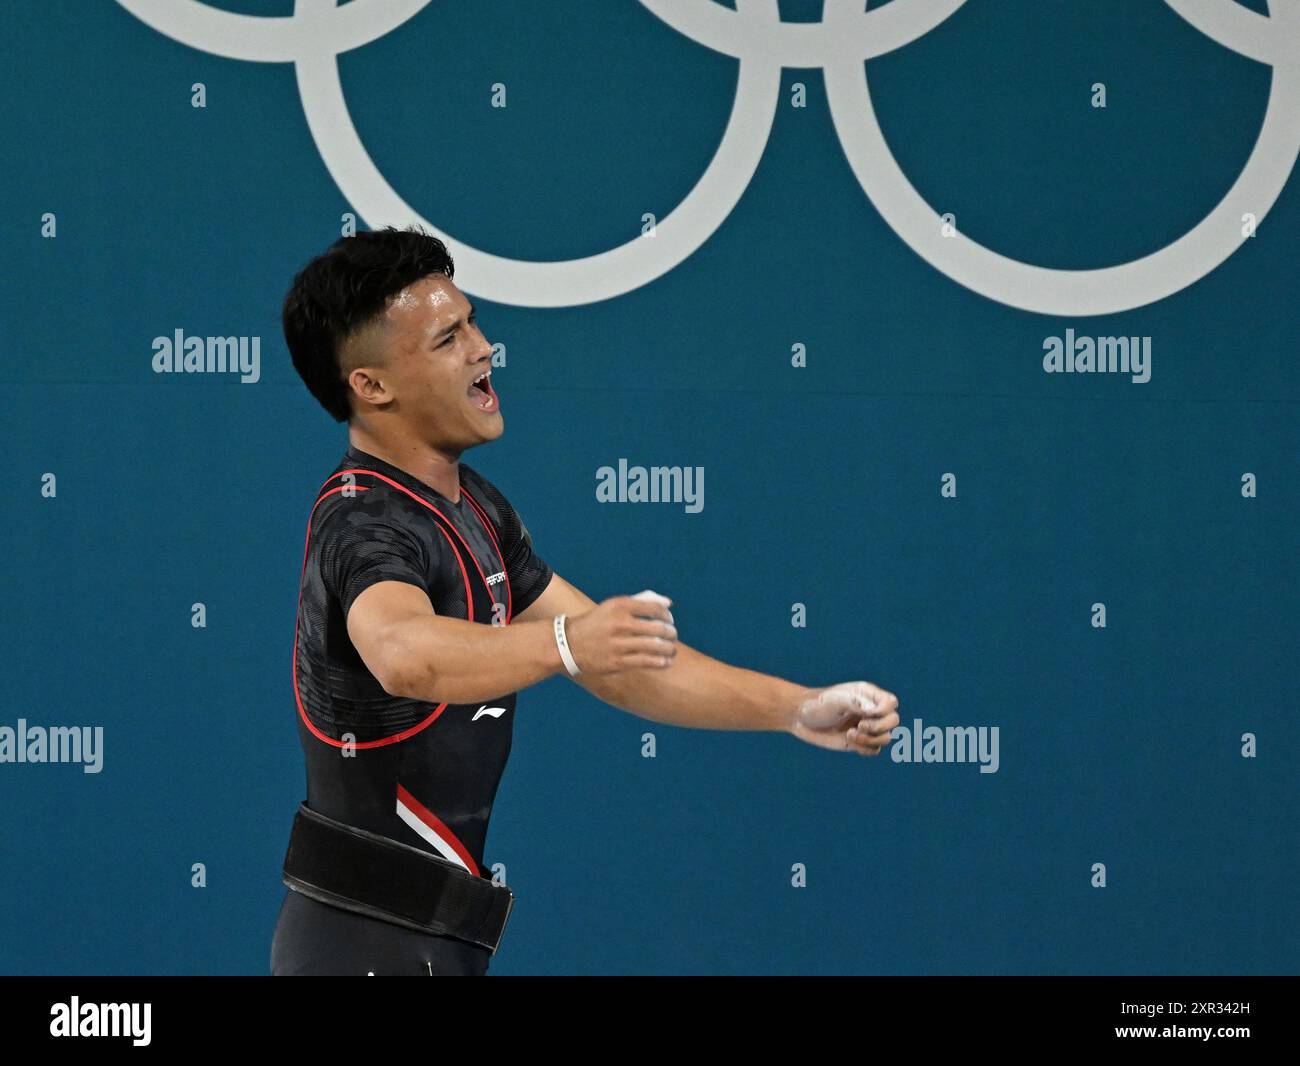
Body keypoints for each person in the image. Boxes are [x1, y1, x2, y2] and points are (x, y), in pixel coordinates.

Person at [270, 225, 900, 975]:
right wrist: (564, 644)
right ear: (372, 386)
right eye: (447, 339)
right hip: (359, 945)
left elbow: (620, 664)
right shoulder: (361, 520)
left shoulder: (475, 507)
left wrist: (794, 707)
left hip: (432, 942)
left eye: (472, 321)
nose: (482, 348)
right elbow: (405, 653)